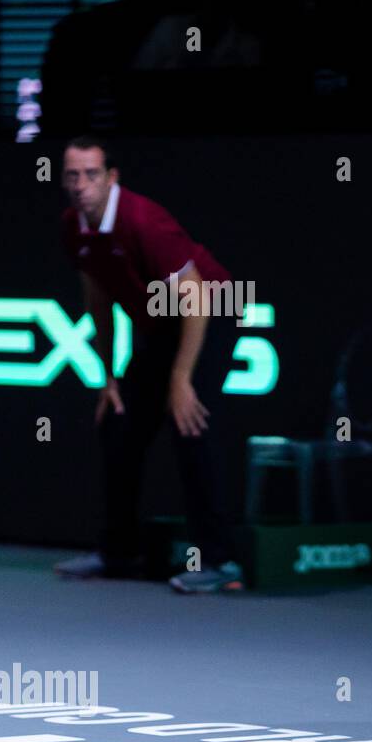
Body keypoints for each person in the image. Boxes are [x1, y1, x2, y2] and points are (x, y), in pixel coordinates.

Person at [54, 136, 242, 594]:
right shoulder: (73, 226)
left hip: (212, 310)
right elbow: (98, 300)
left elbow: (196, 295)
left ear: (111, 178)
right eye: (72, 176)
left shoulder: (143, 222)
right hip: (162, 325)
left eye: (91, 175)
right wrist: (108, 378)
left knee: (188, 423)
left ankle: (220, 562)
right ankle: (119, 553)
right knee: (117, 423)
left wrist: (180, 379)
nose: (81, 185)